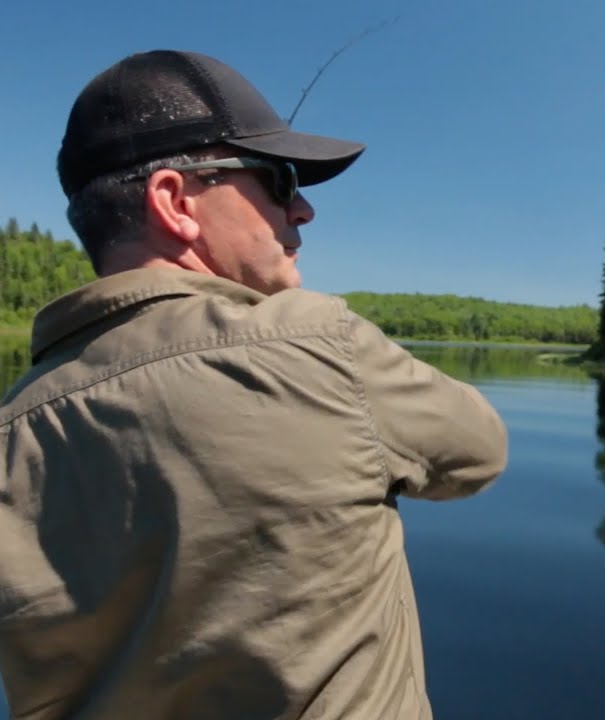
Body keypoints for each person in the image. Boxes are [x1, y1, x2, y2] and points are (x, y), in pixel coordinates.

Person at [0, 50, 508, 719]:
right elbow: (481, 452)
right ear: (176, 202)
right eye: (277, 178)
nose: (302, 210)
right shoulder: (321, 345)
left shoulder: (12, 432)